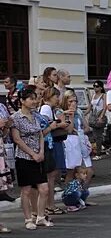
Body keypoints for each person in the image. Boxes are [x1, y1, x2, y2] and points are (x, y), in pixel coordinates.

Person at [11, 86, 54, 230]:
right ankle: (28, 218)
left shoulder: (35, 115)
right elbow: (17, 139)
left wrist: (41, 151)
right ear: (22, 101)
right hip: (24, 157)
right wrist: (32, 153)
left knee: (44, 188)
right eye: (31, 99)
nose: (34, 102)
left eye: (35, 98)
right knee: (26, 190)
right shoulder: (16, 118)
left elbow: (40, 134)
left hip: (38, 156)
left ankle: (40, 216)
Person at [38, 87, 66, 216]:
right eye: (56, 96)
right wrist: (59, 124)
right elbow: (45, 125)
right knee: (50, 176)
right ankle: (50, 205)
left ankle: (50, 204)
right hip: (50, 143)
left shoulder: (51, 109)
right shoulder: (46, 108)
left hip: (53, 143)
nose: (58, 99)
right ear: (50, 96)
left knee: (52, 176)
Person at [59, 91, 93, 184]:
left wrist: (80, 132)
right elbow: (69, 130)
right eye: (70, 101)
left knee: (88, 171)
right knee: (72, 171)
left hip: (81, 140)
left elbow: (86, 127)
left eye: (75, 101)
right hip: (70, 142)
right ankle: (69, 194)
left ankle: (81, 192)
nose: (73, 103)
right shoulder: (62, 112)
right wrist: (71, 115)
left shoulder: (79, 111)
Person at [87, 80, 107, 158]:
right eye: (94, 86)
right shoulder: (93, 96)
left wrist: (101, 116)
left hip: (100, 116)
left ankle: (98, 153)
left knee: (98, 135)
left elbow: (105, 107)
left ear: (101, 87)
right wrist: (84, 113)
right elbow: (90, 107)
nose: (95, 88)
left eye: (97, 86)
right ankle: (100, 149)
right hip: (94, 116)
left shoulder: (103, 95)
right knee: (95, 135)